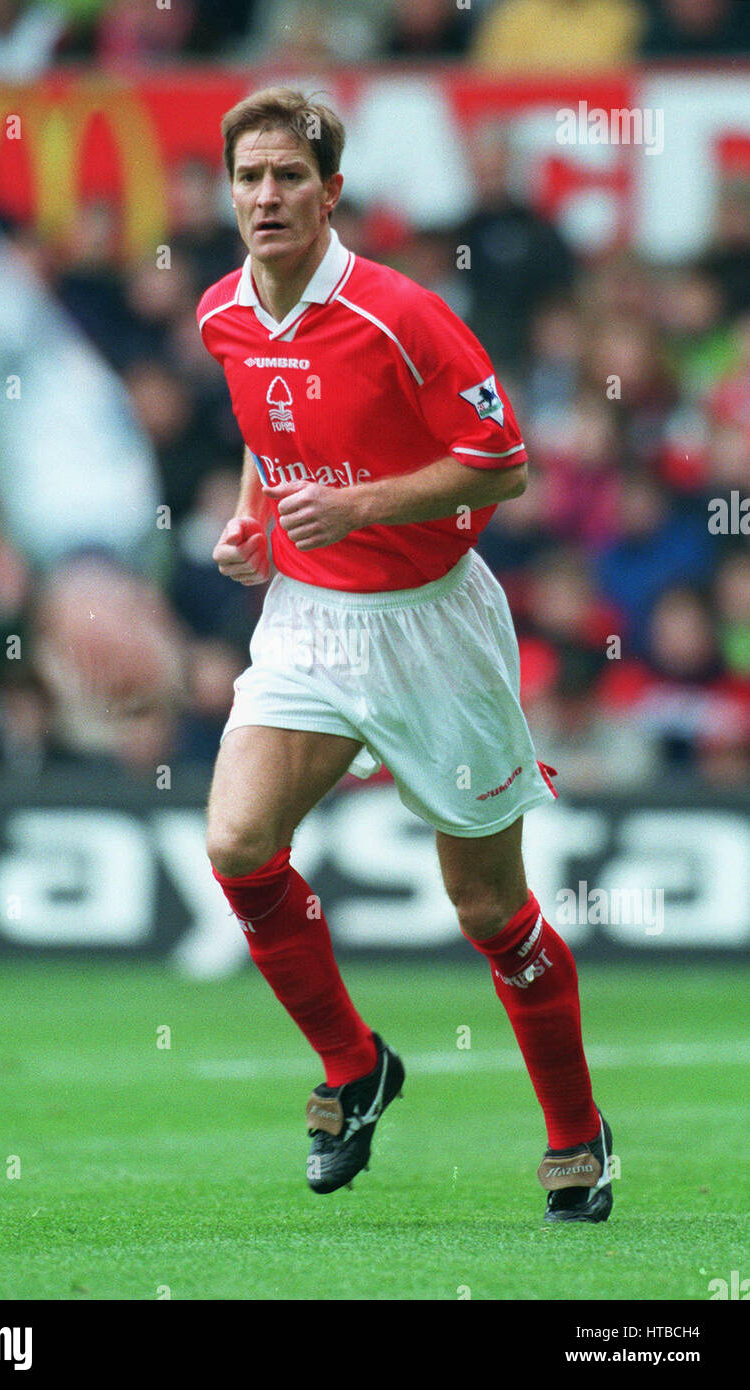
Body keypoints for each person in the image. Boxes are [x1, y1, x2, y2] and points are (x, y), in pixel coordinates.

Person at [197, 88, 612, 1223]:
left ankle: (575, 1140)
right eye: (248, 178)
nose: (266, 197)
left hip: (432, 625)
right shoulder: (221, 312)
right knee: (237, 841)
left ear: (332, 193)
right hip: (308, 618)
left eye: (288, 177)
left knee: (487, 911)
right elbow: (262, 422)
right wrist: (252, 517)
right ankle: (352, 1066)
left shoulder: (401, 314)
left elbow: (502, 460)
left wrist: (361, 503)